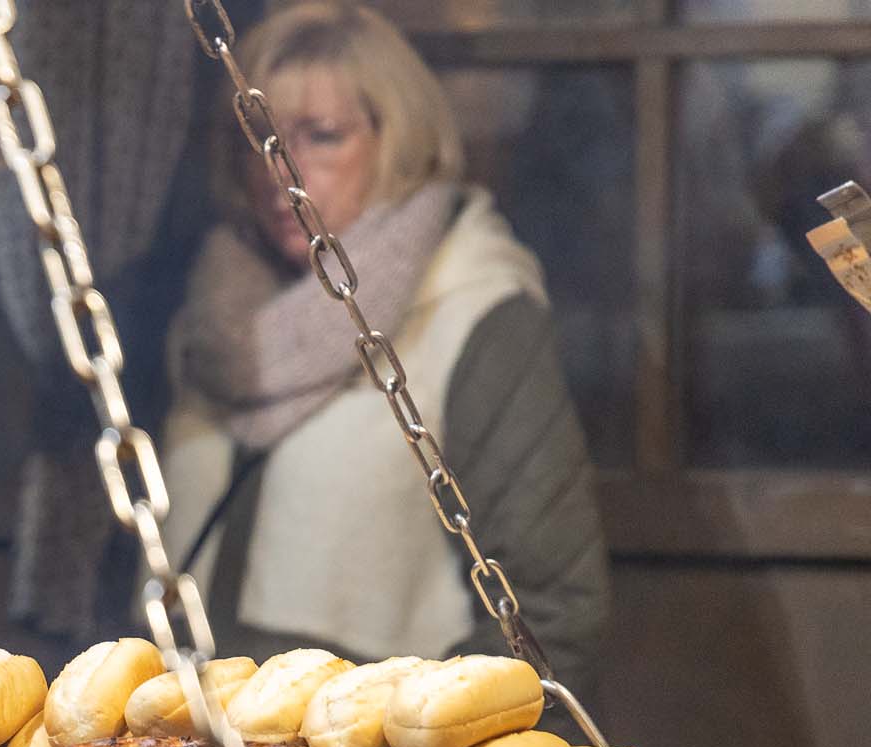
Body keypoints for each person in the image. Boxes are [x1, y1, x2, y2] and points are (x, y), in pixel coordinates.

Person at [156, 2, 610, 690]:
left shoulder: (473, 309)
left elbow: (552, 611)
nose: (281, 170)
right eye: (261, 137)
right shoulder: (220, 314)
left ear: (394, 139)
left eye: (322, 136)